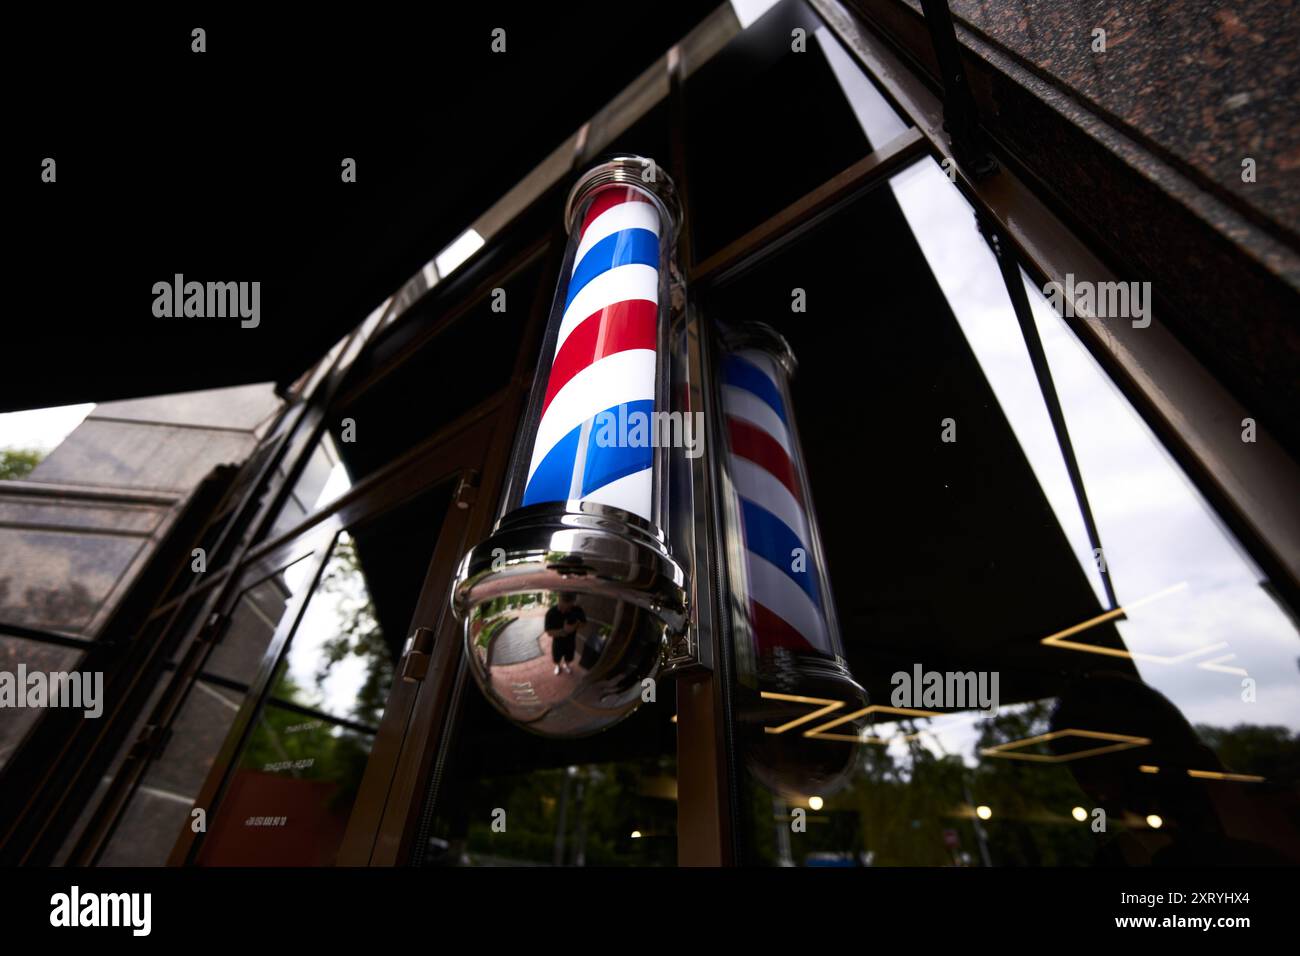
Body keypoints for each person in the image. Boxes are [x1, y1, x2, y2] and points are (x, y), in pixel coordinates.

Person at [545, 592, 586, 675]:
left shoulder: (578, 610)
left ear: (572, 603)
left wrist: (575, 626)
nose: (562, 611)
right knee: (556, 658)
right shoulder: (550, 613)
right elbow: (549, 632)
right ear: (559, 600)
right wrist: (563, 631)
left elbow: (584, 623)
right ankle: (557, 666)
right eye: (561, 607)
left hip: (571, 641)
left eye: (567, 608)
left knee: (569, 657)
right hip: (557, 642)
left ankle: (566, 665)